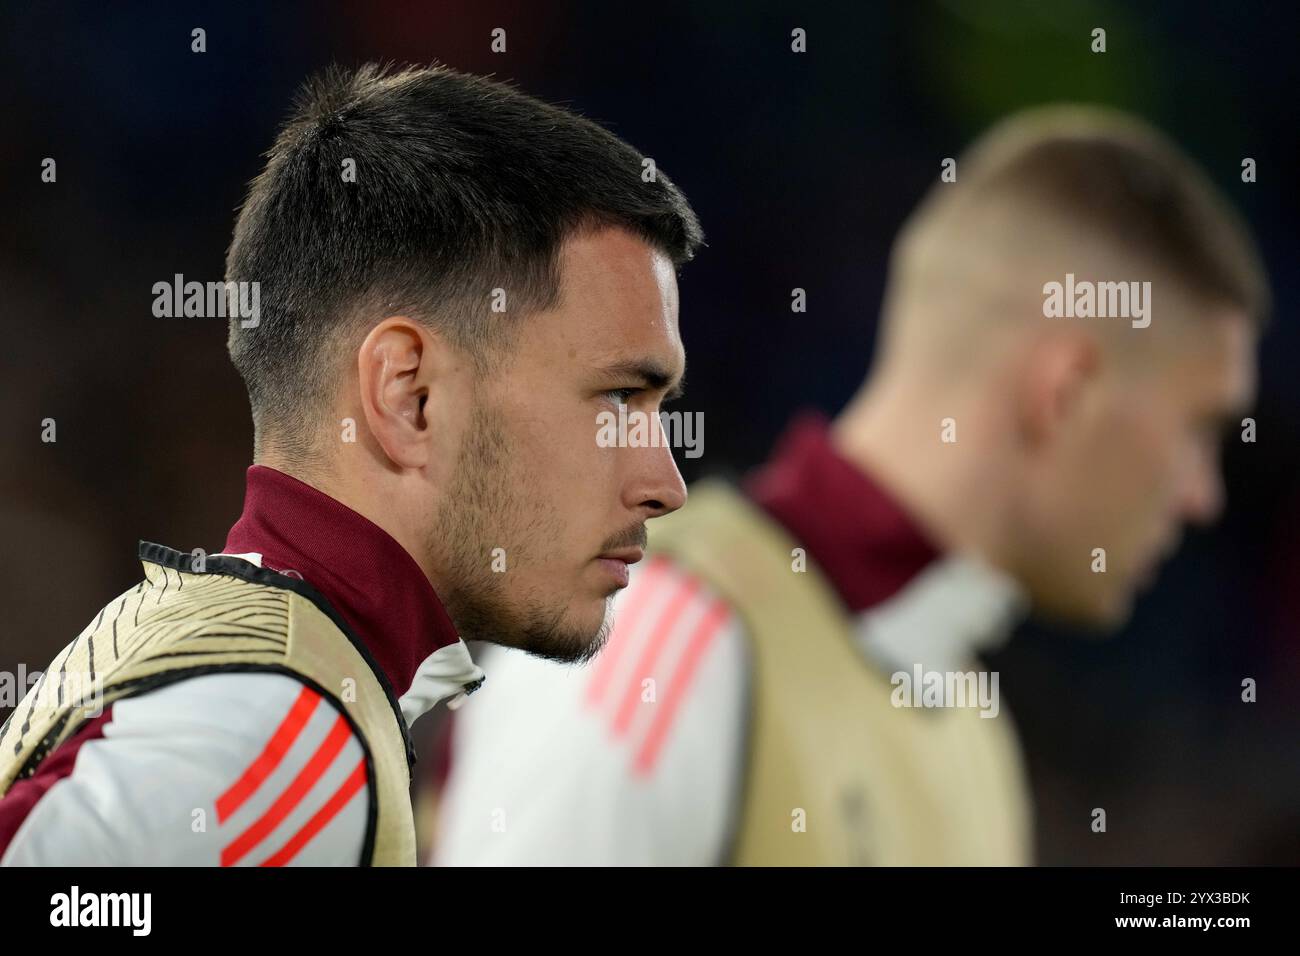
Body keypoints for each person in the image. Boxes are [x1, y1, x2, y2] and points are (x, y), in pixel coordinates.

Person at [433, 106, 1269, 866]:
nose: (1203, 494)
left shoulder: (972, 729)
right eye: (1198, 428)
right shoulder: (655, 636)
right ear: (1067, 394)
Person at [0, 62, 702, 866]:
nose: (665, 485)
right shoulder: (282, 733)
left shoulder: (237, 661)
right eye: (618, 399)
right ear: (409, 396)